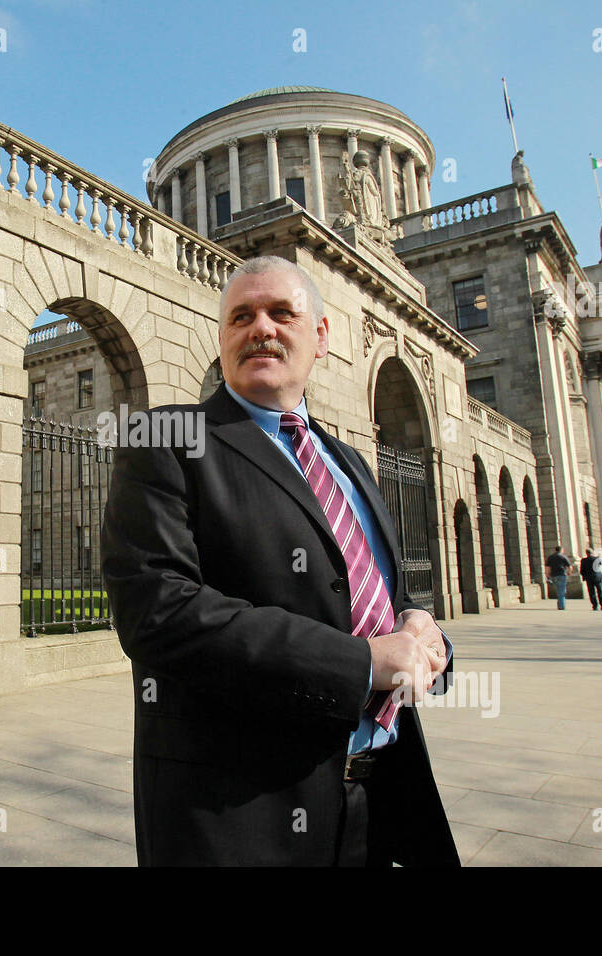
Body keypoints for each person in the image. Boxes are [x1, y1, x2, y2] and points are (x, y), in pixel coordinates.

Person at [100, 256, 458, 866]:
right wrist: (359, 662)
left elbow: (368, 596)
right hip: (241, 811)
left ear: (320, 336)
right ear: (222, 339)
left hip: (377, 796)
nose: (260, 328)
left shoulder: (350, 463)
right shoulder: (163, 441)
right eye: (241, 316)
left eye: (281, 312)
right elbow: (158, 612)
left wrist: (423, 634)